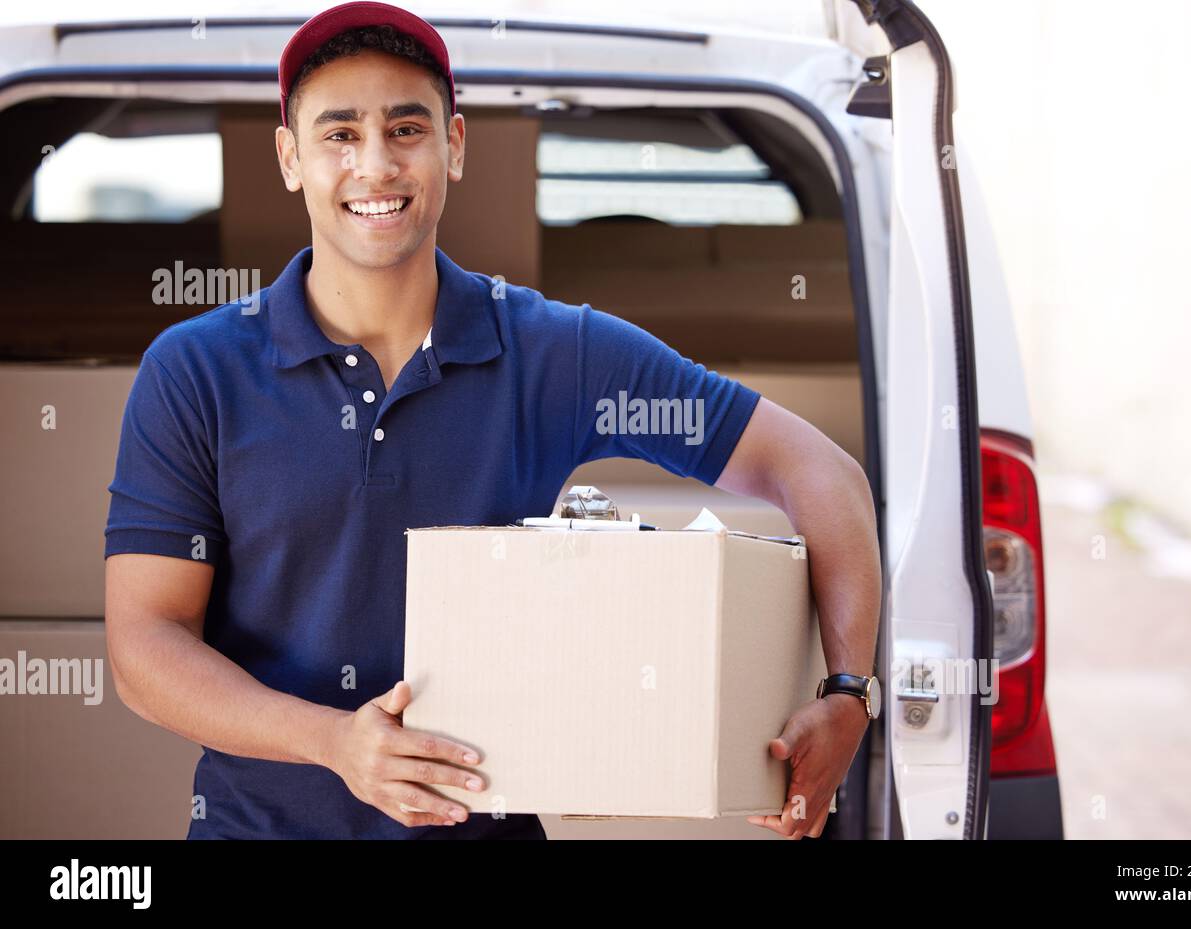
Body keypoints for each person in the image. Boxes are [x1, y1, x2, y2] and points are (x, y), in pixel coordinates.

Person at [104, 1, 881, 840]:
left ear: (455, 146)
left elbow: (820, 473)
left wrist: (848, 695)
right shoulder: (197, 370)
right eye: (338, 134)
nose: (375, 164)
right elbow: (147, 645)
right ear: (291, 158)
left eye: (407, 128)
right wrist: (335, 743)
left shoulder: (557, 354)